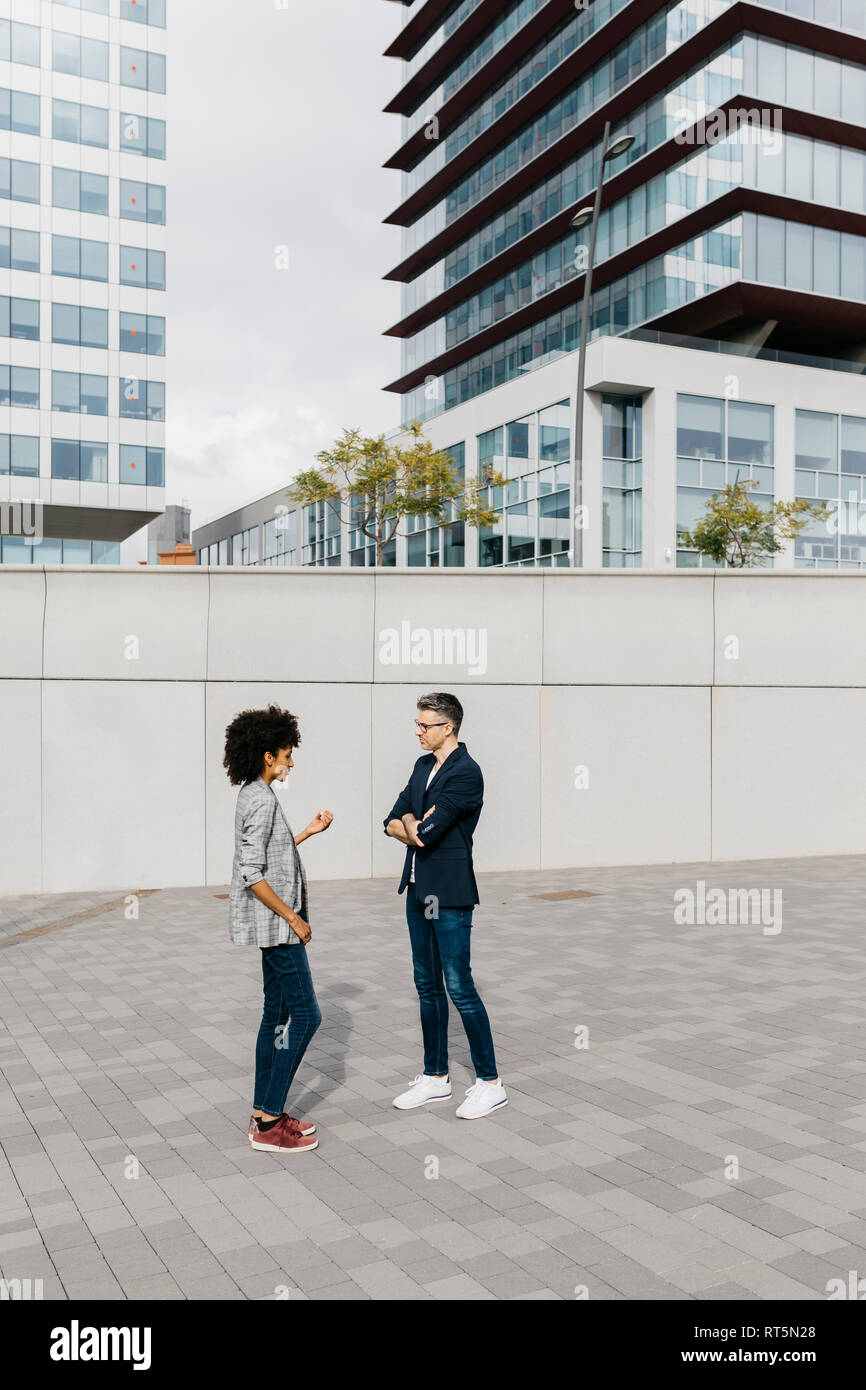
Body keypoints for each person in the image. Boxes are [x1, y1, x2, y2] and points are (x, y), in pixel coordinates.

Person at [383, 693, 506, 1119]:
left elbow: (427, 834)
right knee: (426, 985)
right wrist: (411, 825)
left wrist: (414, 826)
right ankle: (436, 1077)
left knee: (459, 987)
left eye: (424, 725)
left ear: (447, 728)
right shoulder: (421, 767)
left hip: (450, 895)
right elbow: (392, 819)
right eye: (417, 724)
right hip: (418, 892)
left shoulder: (466, 773)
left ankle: (490, 1083)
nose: (417, 731)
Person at [224, 704, 333, 1154]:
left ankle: (261, 1114)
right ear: (268, 755)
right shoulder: (262, 799)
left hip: (273, 929)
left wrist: (304, 832)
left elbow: (269, 852)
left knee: (276, 1017)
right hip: (279, 929)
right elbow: (252, 871)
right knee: (307, 1017)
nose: (292, 760)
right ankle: (269, 1121)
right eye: (287, 753)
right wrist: (294, 917)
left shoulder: (255, 794)